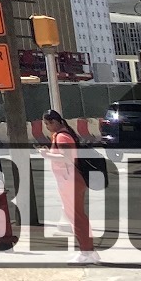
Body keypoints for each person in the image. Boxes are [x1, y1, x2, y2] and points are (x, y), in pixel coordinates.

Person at [43, 109, 96, 261]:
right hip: (71, 179)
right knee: (78, 216)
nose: (48, 127)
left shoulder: (62, 137)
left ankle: (86, 252)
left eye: (49, 123)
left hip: (69, 180)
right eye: (46, 124)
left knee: (76, 217)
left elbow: (66, 158)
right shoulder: (64, 135)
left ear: (56, 122)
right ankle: (89, 250)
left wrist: (47, 155)